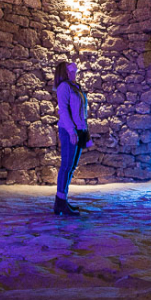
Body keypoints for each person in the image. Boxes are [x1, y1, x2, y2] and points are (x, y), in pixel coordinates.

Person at [53, 61, 93, 216]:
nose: (74, 72)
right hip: (70, 130)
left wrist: (83, 131)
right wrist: (71, 132)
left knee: (71, 166)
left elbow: (81, 112)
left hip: (79, 130)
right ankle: (60, 202)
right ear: (65, 72)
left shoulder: (74, 86)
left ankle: (62, 200)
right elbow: (63, 111)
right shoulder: (64, 87)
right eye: (70, 70)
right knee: (66, 166)